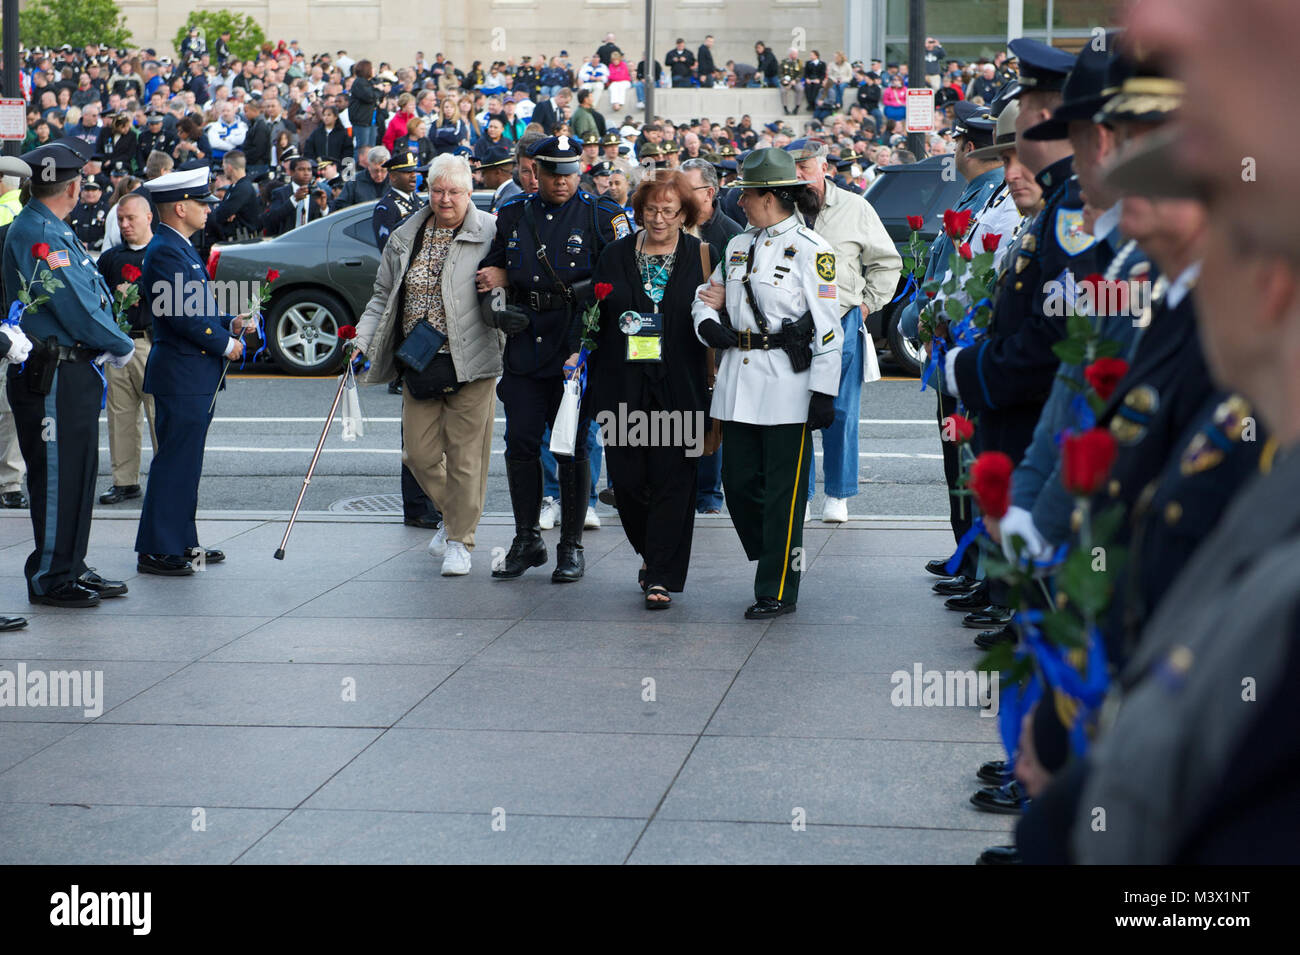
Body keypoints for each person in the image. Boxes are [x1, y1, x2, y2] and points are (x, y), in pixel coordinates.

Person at [692, 148, 842, 619]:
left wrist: (824, 390)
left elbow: (829, 327)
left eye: (747, 194)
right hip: (739, 382)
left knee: (785, 495)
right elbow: (705, 297)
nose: (739, 203)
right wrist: (706, 325)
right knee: (737, 486)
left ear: (772, 196)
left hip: (787, 387)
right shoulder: (738, 246)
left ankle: (777, 587)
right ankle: (772, 554)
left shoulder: (813, 251)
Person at [475, 135, 630, 582]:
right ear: (534, 172)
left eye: (569, 173)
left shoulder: (603, 216)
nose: (561, 182)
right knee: (520, 442)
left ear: (579, 173)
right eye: (552, 173)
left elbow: (620, 279)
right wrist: (499, 311)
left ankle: (571, 545)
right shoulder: (514, 214)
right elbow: (487, 277)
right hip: (526, 346)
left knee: (572, 446)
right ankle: (527, 539)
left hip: (575, 345)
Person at [353, 154, 501, 576]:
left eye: (454, 191)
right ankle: (453, 515)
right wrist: (361, 338)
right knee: (417, 455)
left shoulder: (491, 231)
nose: (445, 199)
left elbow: (514, 278)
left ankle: (460, 540)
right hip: (418, 360)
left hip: (471, 358)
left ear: (469, 193)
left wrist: (504, 282)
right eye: (437, 191)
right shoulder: (406, 234)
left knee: (466, 457)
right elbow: (382, 294)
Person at [1, 140, 133, 607]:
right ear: (74, 187)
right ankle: (51, 576)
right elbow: (73, 302)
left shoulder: (51, 227)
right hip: (51, 372)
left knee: (77, 472)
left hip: (71, 369)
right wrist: (120, 343)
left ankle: (70, 564)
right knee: (57, 475)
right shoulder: (38, 233)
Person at [899, 100, 1018, 582]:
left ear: (970, 148)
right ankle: (969, 561)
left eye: (956, 144)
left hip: (965, 345)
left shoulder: (993, 198)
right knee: (958, 461)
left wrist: (925, 317)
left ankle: (977, 566)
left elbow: (961, 277)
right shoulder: (982, 197)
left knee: (969, 462)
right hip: (951, 347)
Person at [587, 172, 711, 607]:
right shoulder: (615, 255)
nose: (659, 219)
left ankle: (660, 573)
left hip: (682, 387)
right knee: (629, 482)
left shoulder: (702, 257)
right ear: (638, 211)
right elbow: (596, 317)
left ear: (685, 215)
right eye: (651, 210)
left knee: (674, 482)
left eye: (669, 211)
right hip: (623, 384)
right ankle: (648, 552)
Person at [134, 164, 248, 576]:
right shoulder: (166, 249)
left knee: (186, 463)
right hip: (183, 373)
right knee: (176, 462)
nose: (208, 210)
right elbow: (182, 315)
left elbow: (197, 308)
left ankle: (183, 543)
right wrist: (226, 342)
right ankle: (158, 550)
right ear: (180, 207)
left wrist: (230, 320)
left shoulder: (176, 246)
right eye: (202, 203)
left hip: (190, 373)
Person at [786, 139, 902, 523]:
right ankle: (800, 494)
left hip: (841, 318)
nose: (799, 175)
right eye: (793, 168)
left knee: (840, 410)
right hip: (790, 325)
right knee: (792, 411)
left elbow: (886, 262)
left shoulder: (855, 208)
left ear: (824, 169)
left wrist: (867, 304)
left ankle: (838, 493)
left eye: (805, 167)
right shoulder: (782, 208)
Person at [97, 193, 158, 507]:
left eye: (130, 218)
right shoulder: (111, 258)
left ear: (148, 217)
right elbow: (96, 297)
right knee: (120, 417)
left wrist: (140, 295)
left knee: (159, 415)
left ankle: (166, 480)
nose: (124, 224)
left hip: (153, 343)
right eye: (120, 219)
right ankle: (125, 482)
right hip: (119, 345)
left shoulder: (161, 254)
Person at [207, 150, 262, 242]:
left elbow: (220, 215)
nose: (223, 169)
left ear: (229, 168)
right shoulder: (235, 187)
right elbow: (222, 212)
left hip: (243, 241)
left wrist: (225, 212)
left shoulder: (243, 188)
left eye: (224, 166)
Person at [66, 175, 110, 252]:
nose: (90, 193)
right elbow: (69, 230)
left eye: (93, 190)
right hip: (78, 251)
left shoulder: (106, 210)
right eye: (87, 190)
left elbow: (108, 235)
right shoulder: (76, 209)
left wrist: (90, 246)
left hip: (99, 252)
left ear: (100, 192)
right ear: (82, 192)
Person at [479, 146, 519, 212]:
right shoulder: (505, 193)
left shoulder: (510, 198)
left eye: (484, 172)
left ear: (498, 172)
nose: (482, 176)